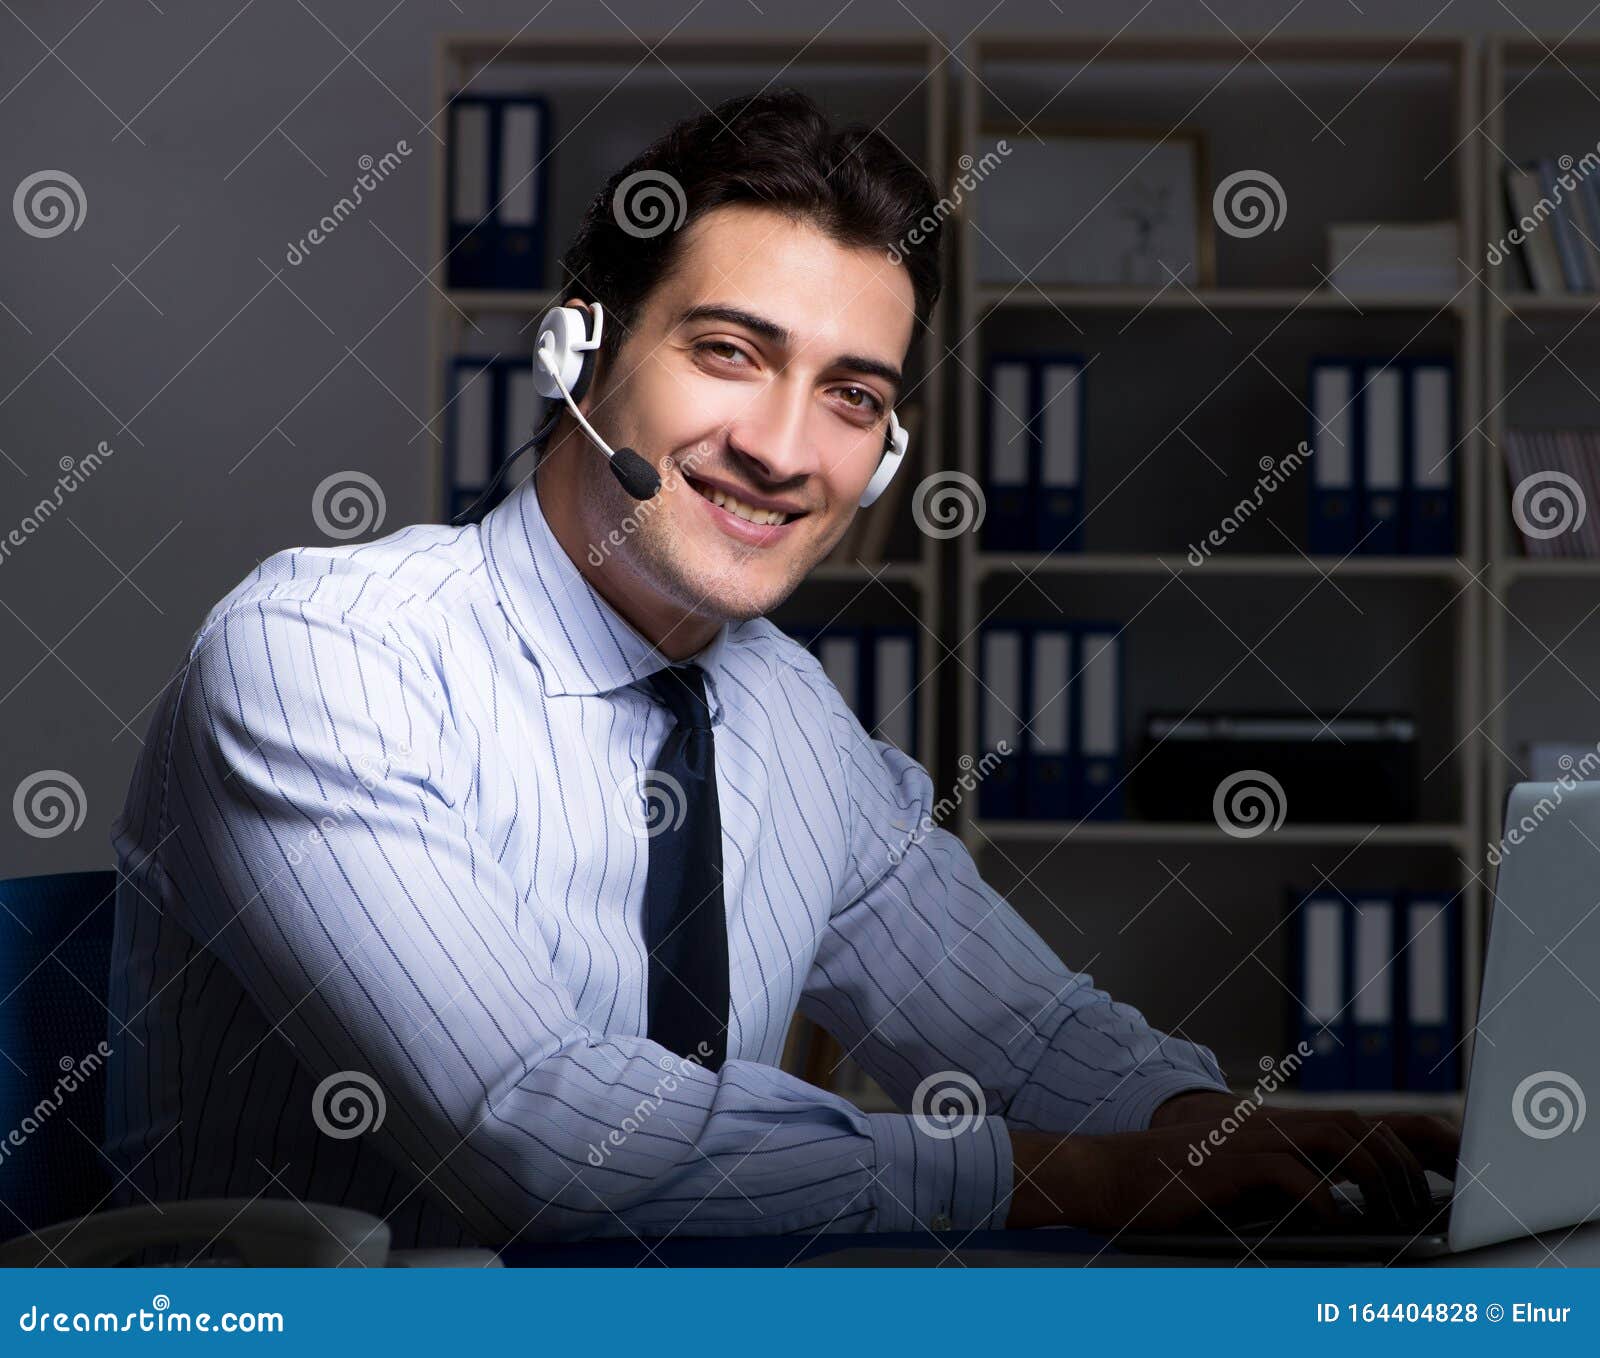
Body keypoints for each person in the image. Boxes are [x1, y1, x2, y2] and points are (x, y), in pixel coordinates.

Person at [104, 89, 1456, 1252]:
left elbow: (1021, 1027)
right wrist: (1079, 1174)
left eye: (853, 396)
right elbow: (539, 1128)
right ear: (579, 354)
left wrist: (1217, 1131)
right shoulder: (325, 655)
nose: (785, 448)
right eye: (731, 353)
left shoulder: (790, 717)